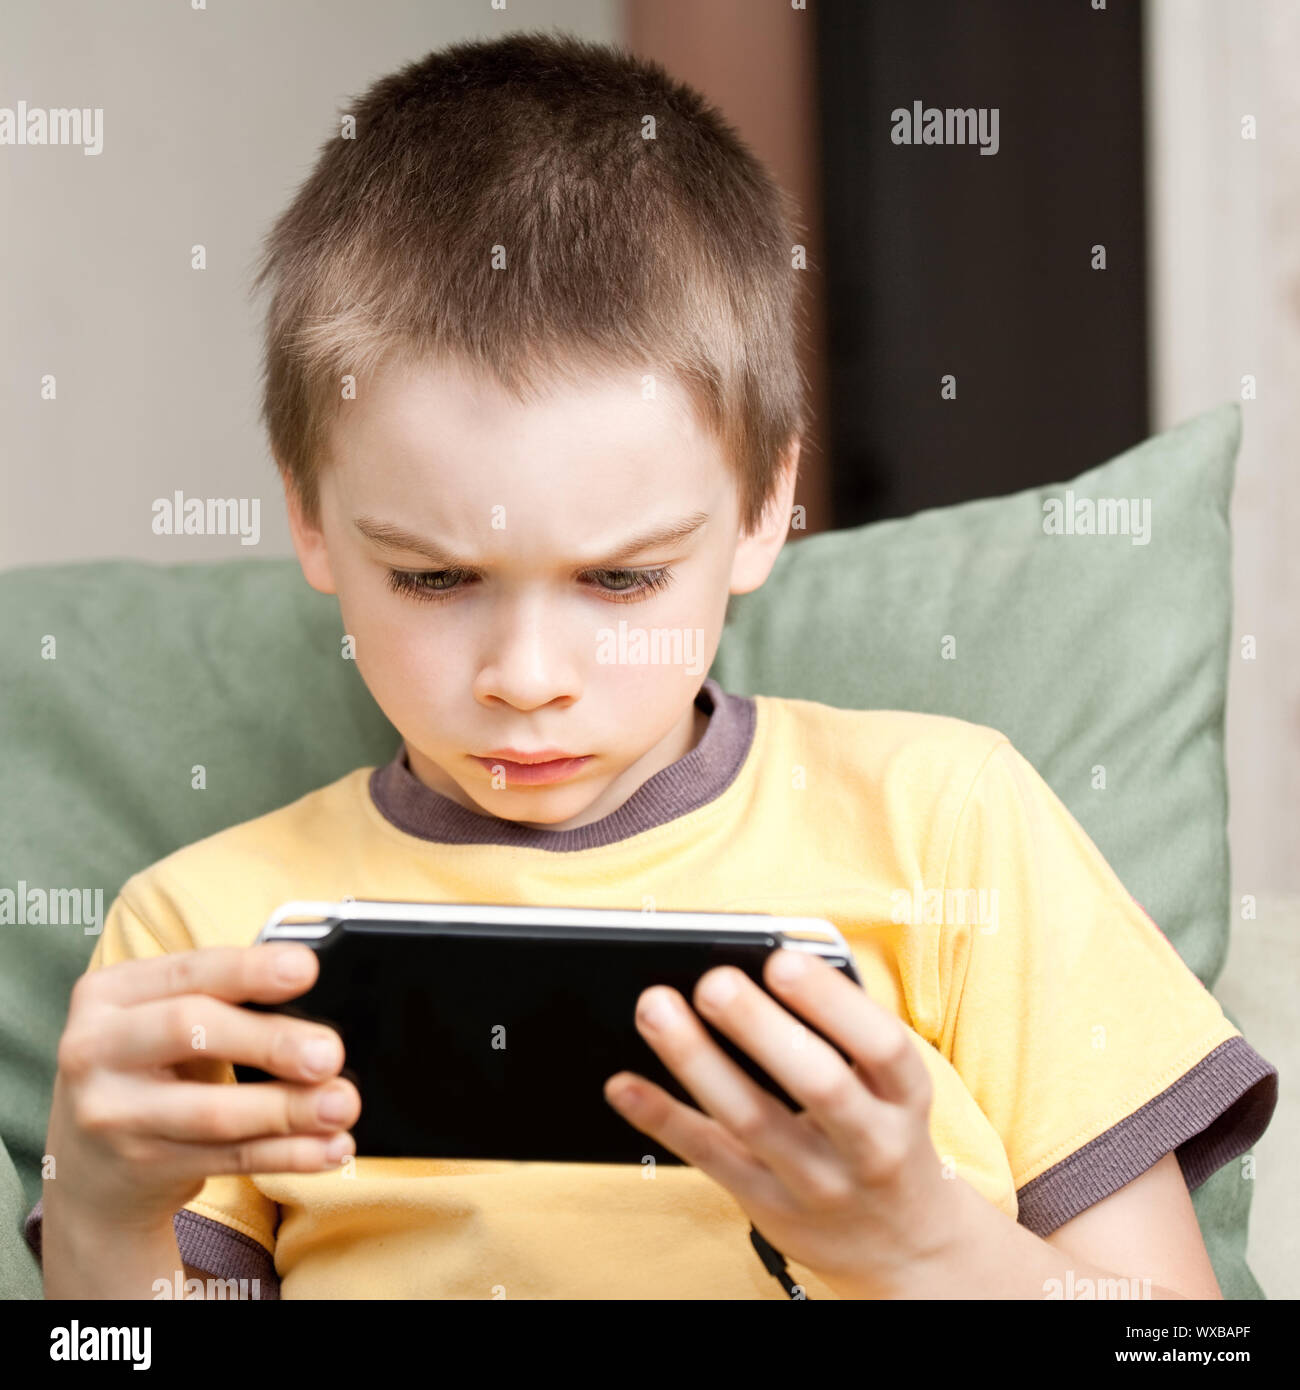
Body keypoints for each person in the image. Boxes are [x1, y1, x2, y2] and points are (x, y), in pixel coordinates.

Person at [30, 30, 1275, 1300]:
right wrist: (101, 1225)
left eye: (621, 579)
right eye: (432, 578)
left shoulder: (951, 824)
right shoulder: (199, 935)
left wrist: (924, 1247)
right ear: (308, 517)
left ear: (758, 510)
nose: (525, 677)